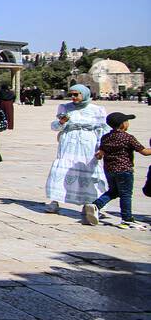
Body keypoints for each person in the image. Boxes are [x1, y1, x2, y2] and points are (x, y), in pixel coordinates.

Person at [44, 84, 108, 223]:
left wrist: (102, 147)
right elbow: (55, 126)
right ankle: (55, 201)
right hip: (69, 143)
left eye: (76, 94)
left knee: (87, 170)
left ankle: (89, 203)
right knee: (62, 171)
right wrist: (61, 122)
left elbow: (103, 130)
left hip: (87, 144)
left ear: (84, 94)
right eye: (71, 95)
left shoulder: (96, 110)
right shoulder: (65, 108)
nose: (73, 97)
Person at [94, 113, 150, 228]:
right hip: (124, 170)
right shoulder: (128, 137)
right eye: (127, 121)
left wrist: (99, 155)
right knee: (125, 194)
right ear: (123, 124)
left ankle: (95, 206)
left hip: (109, 170)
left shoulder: (106, 137)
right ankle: (127, 218)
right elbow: (144, 152)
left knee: (114, 191)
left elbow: (100, 153)